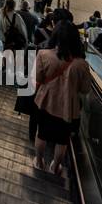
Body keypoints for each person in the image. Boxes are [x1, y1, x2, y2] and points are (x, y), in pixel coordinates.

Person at [33, 21, 91, 176]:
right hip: (68, 108)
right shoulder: (82, 65)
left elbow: (38, 78)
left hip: (45, 102)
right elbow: (85, 90)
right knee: (62, 140)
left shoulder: (43, 55)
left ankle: (39, 162)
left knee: (41, 134)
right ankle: (55, 167)